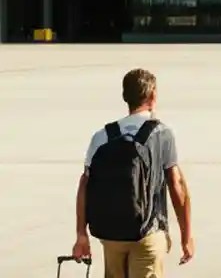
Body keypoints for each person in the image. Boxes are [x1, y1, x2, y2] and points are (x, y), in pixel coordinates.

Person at [71, 68, 194, 277]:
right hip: (148, 233)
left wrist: (81, 234)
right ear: (153, 95)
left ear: (125, 97)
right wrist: (186, 236)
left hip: (111, 235)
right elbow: (177, 187)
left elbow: (85, 185)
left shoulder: (102, 136)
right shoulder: (162, 134)